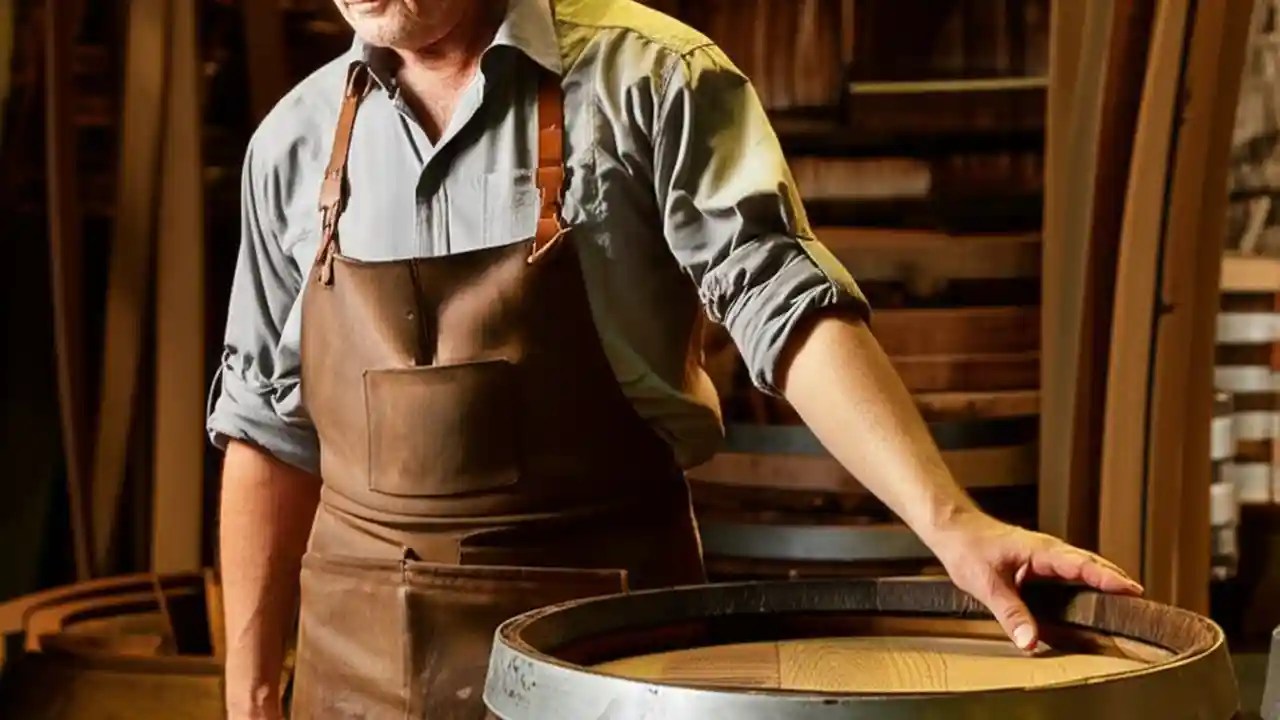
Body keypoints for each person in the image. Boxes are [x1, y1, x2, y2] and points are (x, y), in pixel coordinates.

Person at [206, 0, 1143, 717]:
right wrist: (250, 700)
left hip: (604, 656)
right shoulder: (292, 144)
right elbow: (264, 431)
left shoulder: (651, 80)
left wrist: (952, 525)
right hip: (351, 670)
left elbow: (784, 304)